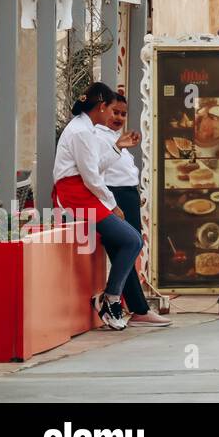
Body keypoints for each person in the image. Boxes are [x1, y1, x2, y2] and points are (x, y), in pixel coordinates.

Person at [53, 82, 142, 331]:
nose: (114, 114)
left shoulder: (85, 128)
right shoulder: (82, 132)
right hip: (76, 194)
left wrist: (117, 147)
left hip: (81, 191)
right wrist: (112, 204)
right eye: (111, 108)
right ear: (102, 107)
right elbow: (91, 176)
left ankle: (110, 298)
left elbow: (93, 169)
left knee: (132, 240)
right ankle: (110, 299)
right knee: (132, 241)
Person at [99, 94, 171, 327]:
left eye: (122, 113)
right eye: (115, 112)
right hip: (115, 195)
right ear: (102, 110)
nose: (119, 117)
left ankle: (134, 306)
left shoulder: (111, 136)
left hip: (125, 194)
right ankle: (134, 307)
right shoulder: (96, 136)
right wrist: (113, 202)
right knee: (126, 249)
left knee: (128, 251)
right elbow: (97, 169)